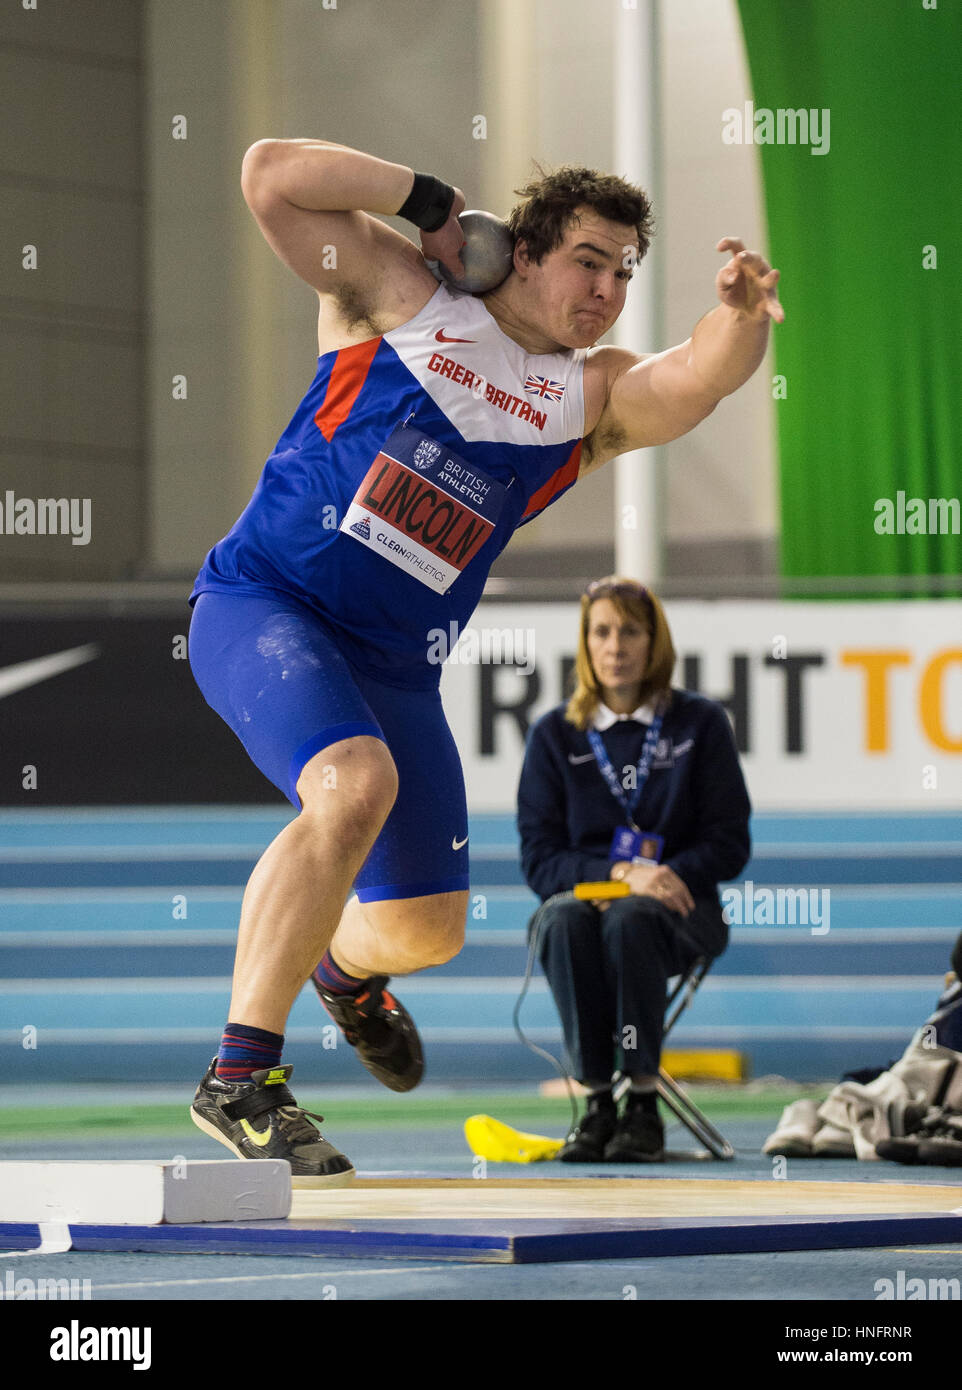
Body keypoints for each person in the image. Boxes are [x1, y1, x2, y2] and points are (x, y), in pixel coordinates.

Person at [185, 135, 783, 1185]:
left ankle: (344, 974)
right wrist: (425, 200)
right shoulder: (397, 294)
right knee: (353, 782)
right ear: (525, 250)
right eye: (587, 262)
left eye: (623, 272)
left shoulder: (587, 401)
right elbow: (269, 173)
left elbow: (695, 379)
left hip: (395, 669)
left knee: (424, 930)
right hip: (266, 606)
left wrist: (739, 317)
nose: (606, 292)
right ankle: (240, 1079)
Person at [517, 578, 752, 1162]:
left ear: (655, 642)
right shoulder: (554, 735)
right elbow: (539, 857)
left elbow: (729, 843)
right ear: (585, 643)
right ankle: (599, 1103)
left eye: (630, 631)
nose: (615, 645)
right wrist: (619, 876)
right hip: (587, 905)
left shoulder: (699, 724)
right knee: (562, 921)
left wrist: (663, 878)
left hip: (680, 910)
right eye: (601, 631)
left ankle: (643, 1105)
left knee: (632, 919)